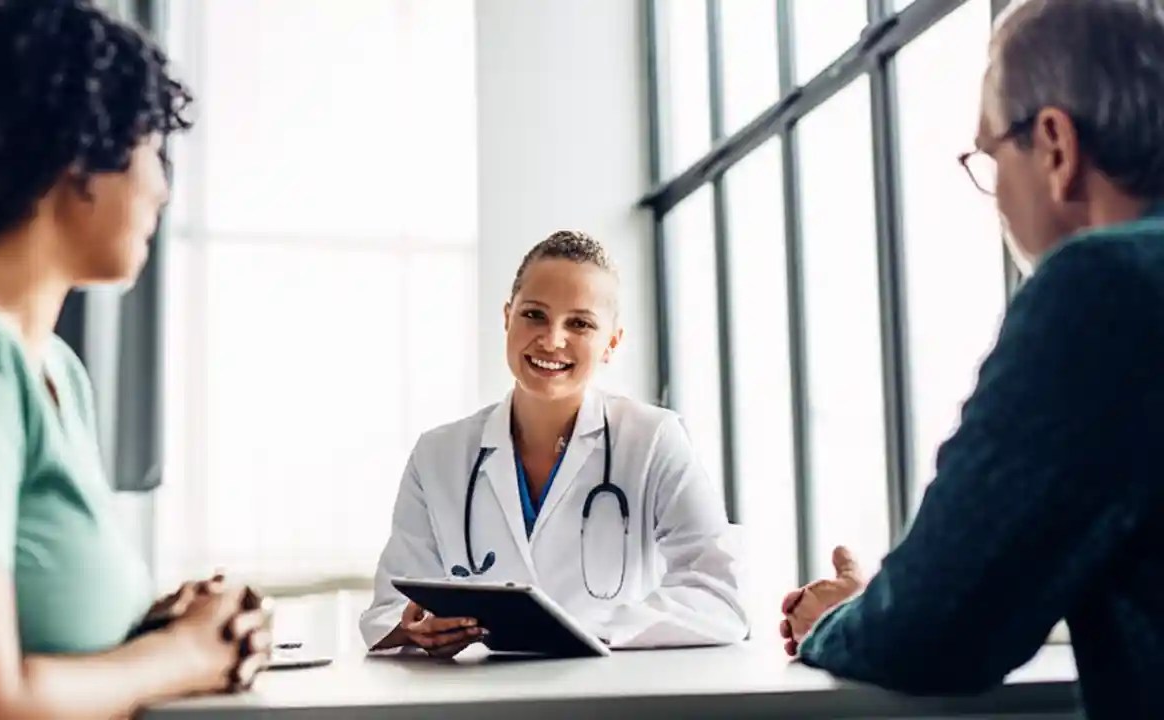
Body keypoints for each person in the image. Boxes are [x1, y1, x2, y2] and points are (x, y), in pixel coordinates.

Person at [0, 1, 271, 717]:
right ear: (78, 153)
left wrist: (166, 631)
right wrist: (182, 656)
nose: (160, 187)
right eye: (152, 147)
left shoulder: (55, 368)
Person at [778, 1, 1164, 717]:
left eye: (989, 157)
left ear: (1054, 145)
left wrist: (832, 619)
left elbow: (933, 627)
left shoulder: (1101, 286)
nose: (995, 197)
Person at [360, 231, 748, 656]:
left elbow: (717, 596)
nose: (552, 339)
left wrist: (583, 627)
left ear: (611, 343)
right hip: (480, 704)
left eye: (579, 323)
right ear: (507, 317)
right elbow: (392, 604)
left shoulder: (653, 440)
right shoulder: (437, 455)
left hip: (610, 699)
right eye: (534, 315)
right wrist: (416, 628)